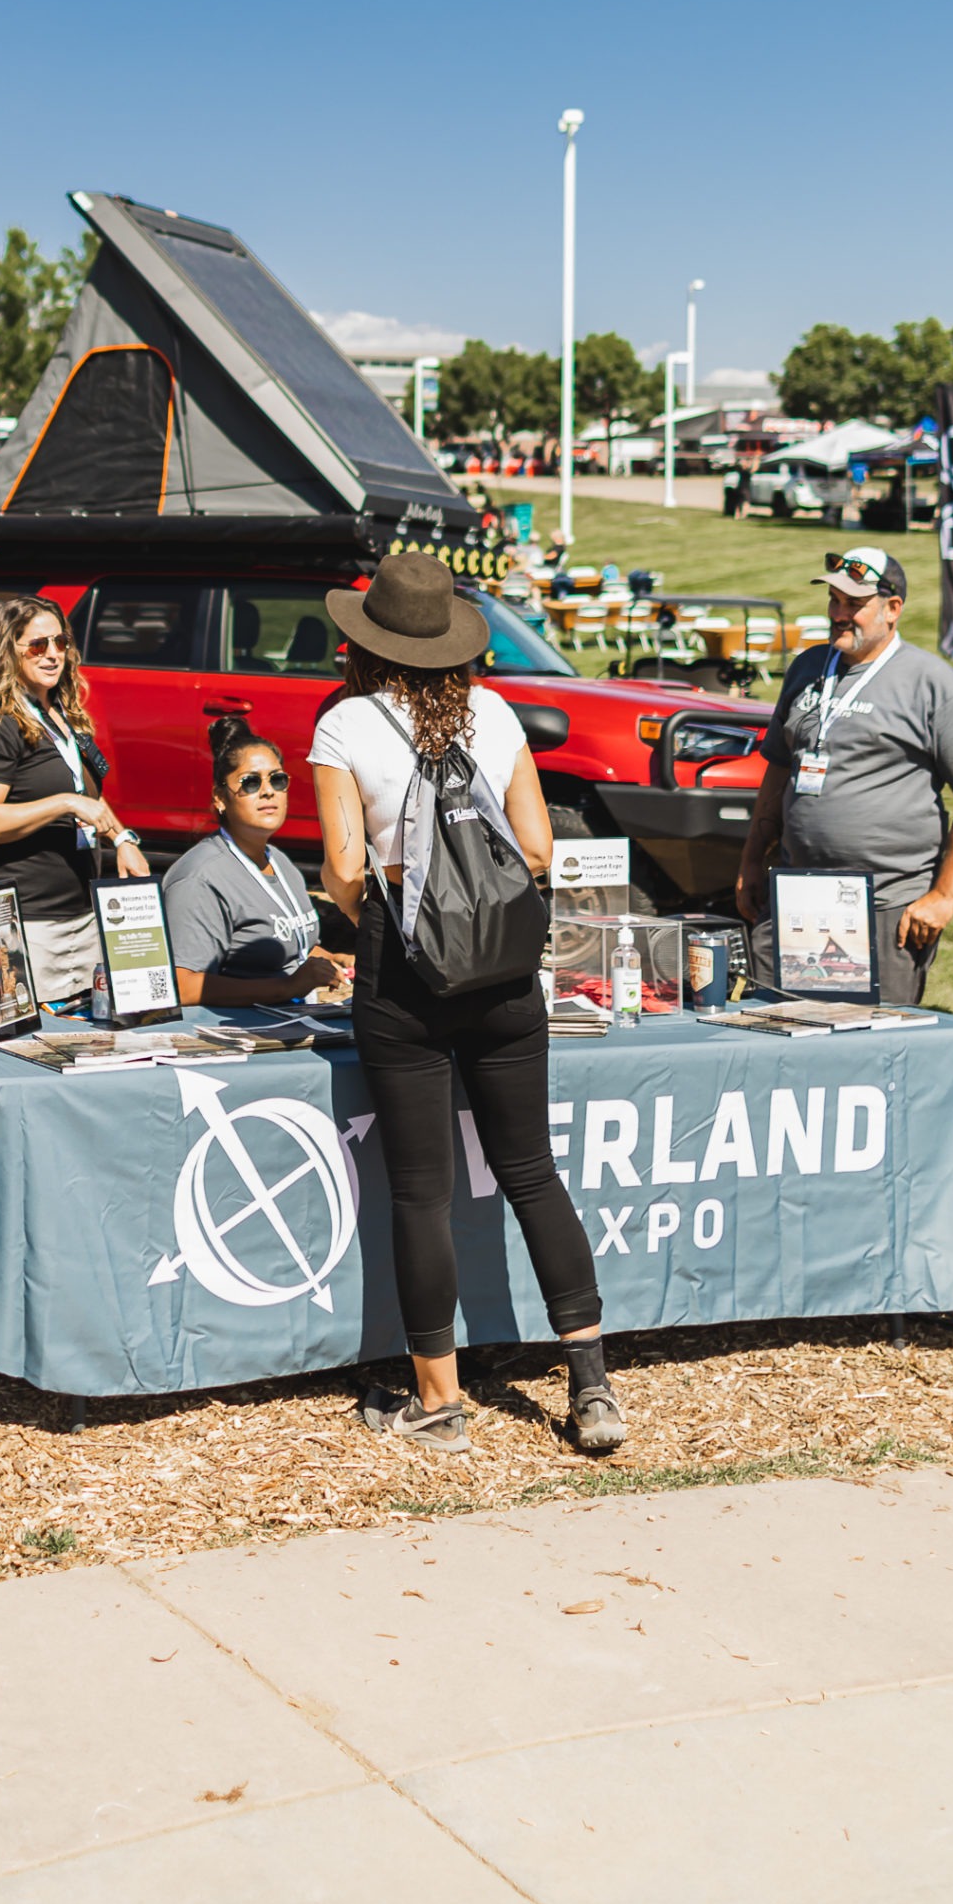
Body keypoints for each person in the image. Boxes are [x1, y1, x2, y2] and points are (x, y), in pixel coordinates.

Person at [311, 551, 622, 1458]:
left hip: (404, 970)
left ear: (367, 643)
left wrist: (389, 906)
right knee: (533, 1171)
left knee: (422, 1191)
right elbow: (539, 849)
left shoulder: (344, 725)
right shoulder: (495, 712)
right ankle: (592, 1385)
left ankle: (439, 1404)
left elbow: (342, 869)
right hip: (503, 967)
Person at [736, 547, 953, 1004]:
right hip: (797, 898)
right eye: (834, 600)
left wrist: (944, 896)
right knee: (778, 1027)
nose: (838, 614)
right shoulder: (806, 669)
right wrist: (751, 860)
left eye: (854, 604)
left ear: (892, 608)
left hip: (886, 907)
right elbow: (778, 770)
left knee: (877, 1039)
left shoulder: (932, 683)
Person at [0, 595, 148, 1007]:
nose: (53, 654)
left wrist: (122, 839)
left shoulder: (62, 713)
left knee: (85, 1036)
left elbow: (87, 796)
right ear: (8, 650)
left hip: (82, 916)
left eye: (60, 642)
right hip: (15, 921)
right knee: (17, 1038)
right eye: (38, 645)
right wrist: (64, 803)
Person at [163, 722, 347, 1005]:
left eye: (277, 780)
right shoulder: (200, 879)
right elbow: (181, 986)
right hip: (234, 1027)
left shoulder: (280, 861)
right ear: (220, 798)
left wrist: (331, 960)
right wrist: (285, 988)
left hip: (290, 1018)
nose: (268, 791)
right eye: (250, 782)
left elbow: (290, 949)